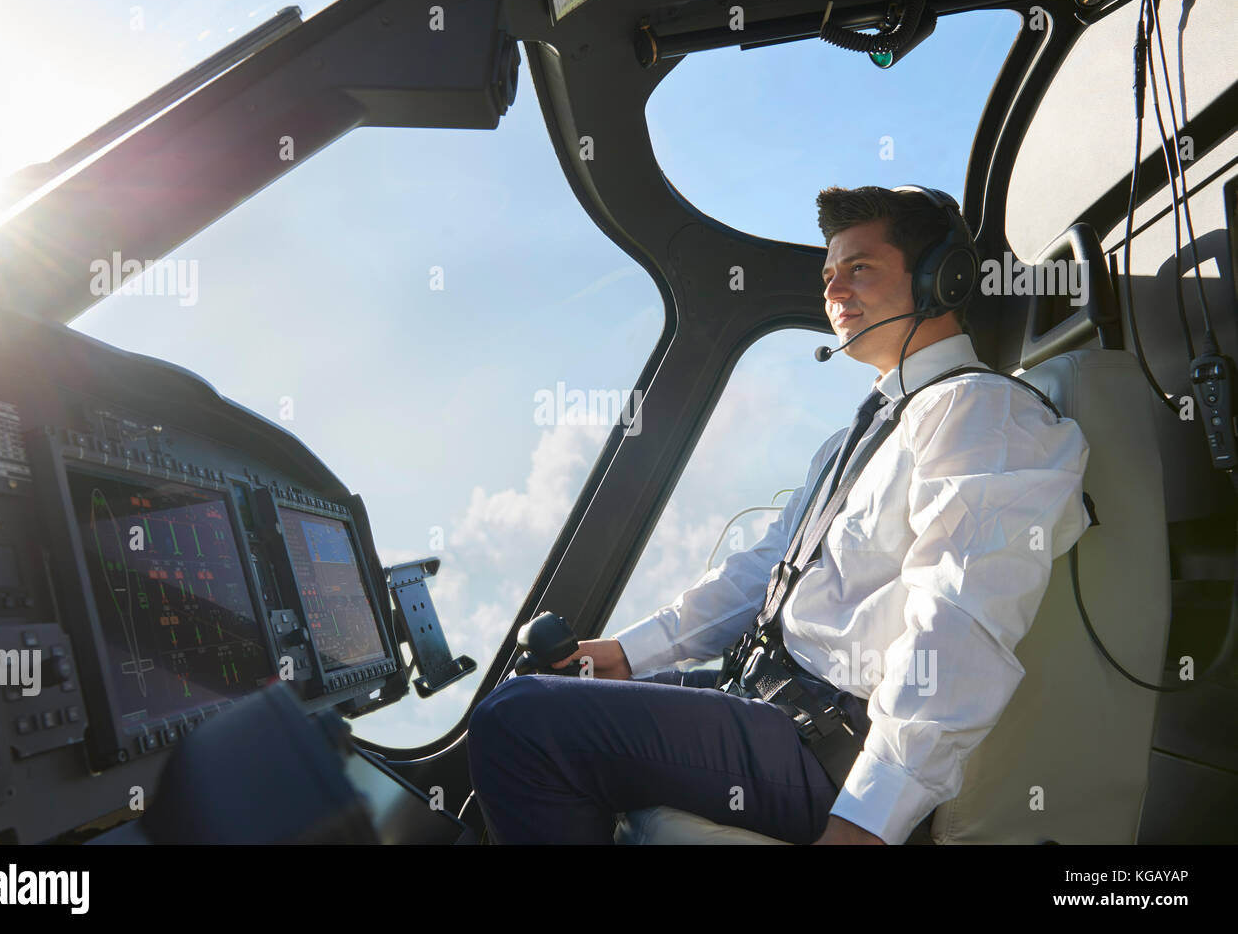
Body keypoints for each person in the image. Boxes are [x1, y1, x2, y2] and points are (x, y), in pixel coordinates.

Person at [466, 185, 1091, 845]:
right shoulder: (859, 436)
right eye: (828, 276)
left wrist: (865, 821)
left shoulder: (983, 416)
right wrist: (628, 653)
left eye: (860, 268)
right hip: (766, 695)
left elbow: (960, 625)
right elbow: (761, 572)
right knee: (544, 693)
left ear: (943, 276)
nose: (835, 292)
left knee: (519, 724)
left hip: (831, 748)